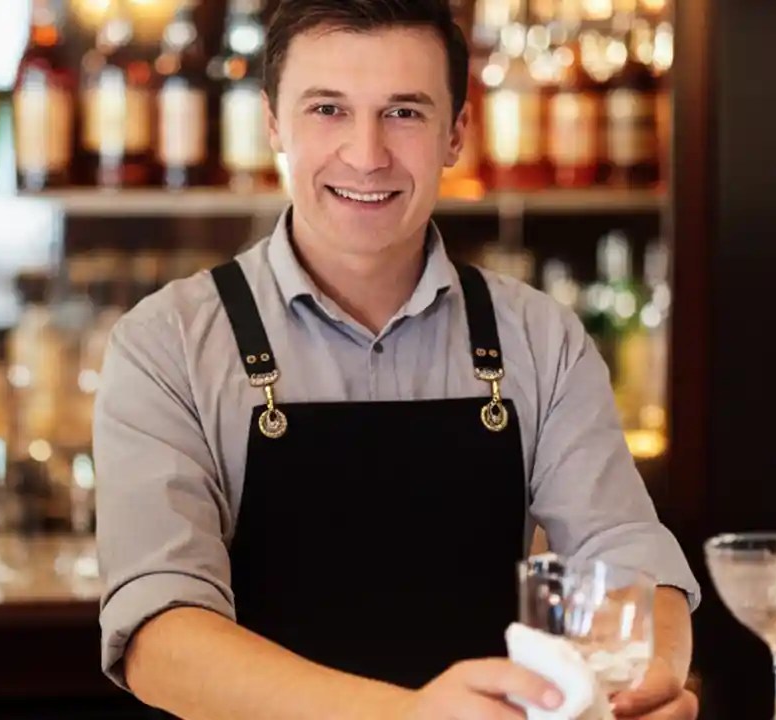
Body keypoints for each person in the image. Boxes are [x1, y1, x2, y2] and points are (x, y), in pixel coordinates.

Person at [92, 0, 700, 717]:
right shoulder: (168, 345)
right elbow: (162, 639)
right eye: (327, 110)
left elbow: (626, 556)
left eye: (405, 113)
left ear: (457, 133)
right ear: (272, 124)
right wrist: (406, 716)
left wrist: (643, 677)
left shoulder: (540, 339)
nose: (367, 153)